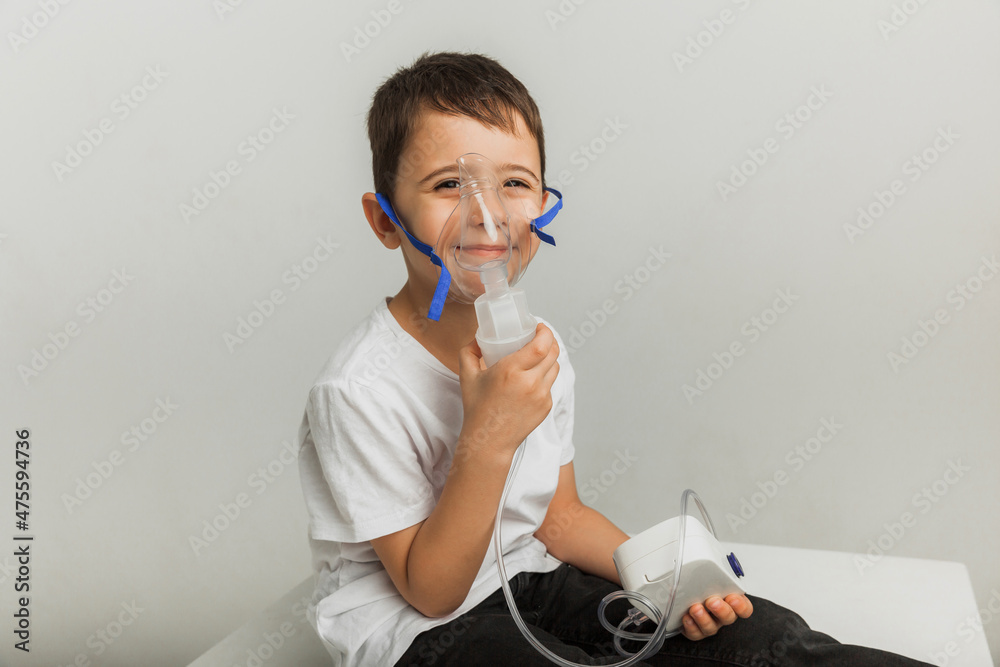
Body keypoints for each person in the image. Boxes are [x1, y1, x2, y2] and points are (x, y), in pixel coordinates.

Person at [296, 51, 932, 667]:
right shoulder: (358, 390)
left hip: (533, 580)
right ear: (385, 221)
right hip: (415, 629)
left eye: (514, 183)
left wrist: (670, 580)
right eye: (449, 185)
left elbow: (560, 518)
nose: (487, 217)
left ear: (543, 201)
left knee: (759, 635)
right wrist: (490, 433)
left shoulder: (536, 349)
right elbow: (431, 590)